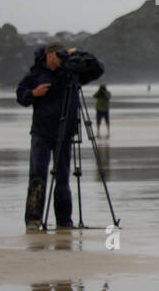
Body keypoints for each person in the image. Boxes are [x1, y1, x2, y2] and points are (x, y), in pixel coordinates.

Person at [16, 42, 105, 230]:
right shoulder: (36, 74)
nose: (62, 59)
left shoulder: (70, 73)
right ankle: (33, 220)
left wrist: (80, 52)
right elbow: (20, 95)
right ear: (49, 56)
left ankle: (64, 220)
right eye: (59, 55)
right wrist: (34, 93)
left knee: (63, 177)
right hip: (41, 131)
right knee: (38, 174)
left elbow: (98, 69)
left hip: (64, 132)